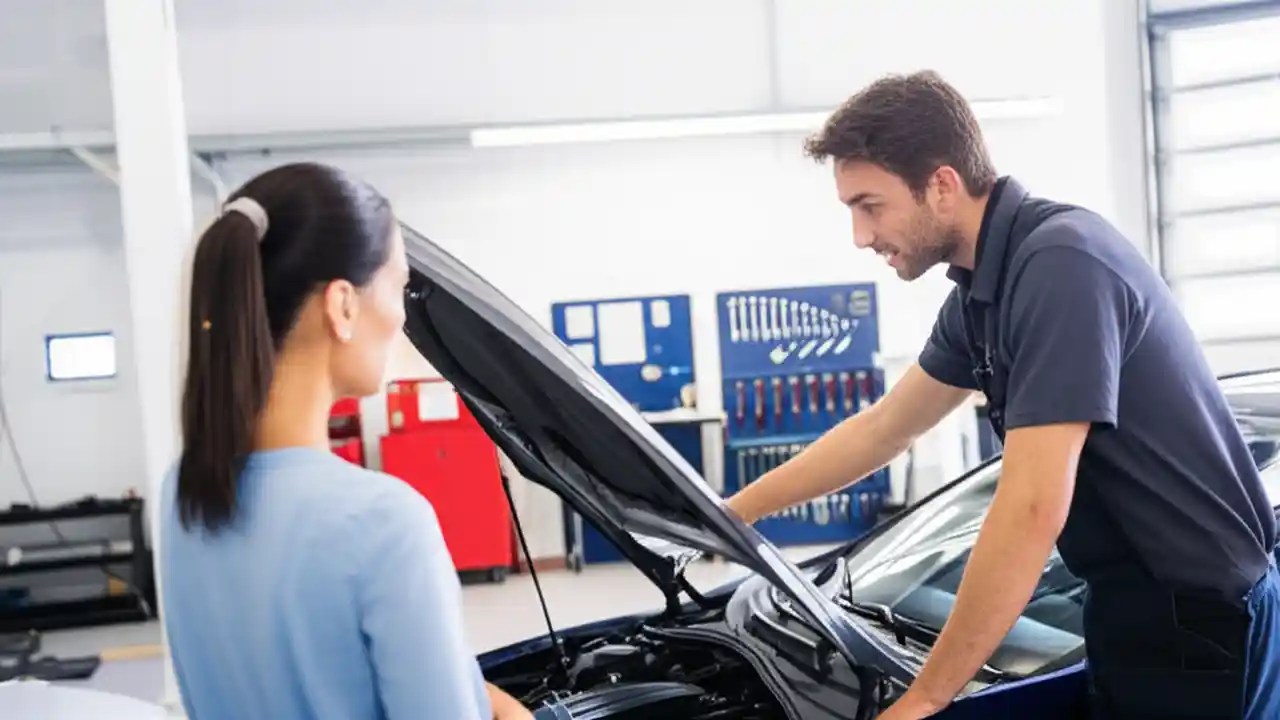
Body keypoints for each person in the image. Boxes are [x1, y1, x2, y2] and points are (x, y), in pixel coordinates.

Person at [724, 71, 1280, 719]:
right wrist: (733, 512)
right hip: (1125, 606)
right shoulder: (981, 294)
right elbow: (884, 430)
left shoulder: (1064, 265)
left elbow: (1031, 508)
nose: (860, 235)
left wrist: (928, 697)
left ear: (941, 185)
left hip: (1206, 623)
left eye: (869, 205)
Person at [159, 162, 531, 720]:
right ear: (343, 305)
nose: (403, 315)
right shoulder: (384, 521)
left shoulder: (182, 493)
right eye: (400, 287)